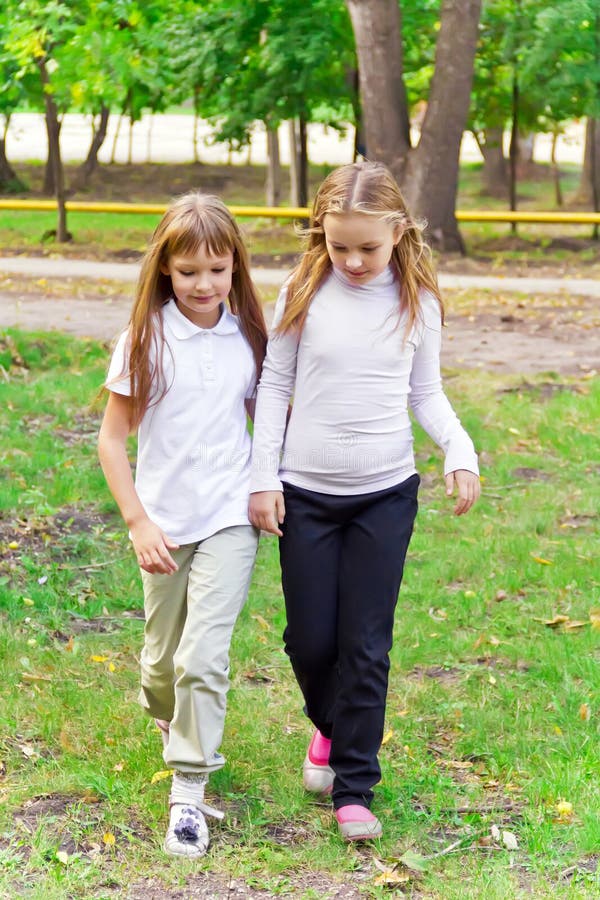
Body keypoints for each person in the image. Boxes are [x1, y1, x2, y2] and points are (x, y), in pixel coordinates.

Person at [249, 161, 480, 842]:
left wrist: (458, 449)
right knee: (311, 639)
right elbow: (273, 386)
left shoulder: (418, 300)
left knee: (366, 645)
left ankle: (355, 785)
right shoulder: (302, 290)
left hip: (385, 494)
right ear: (320, 233)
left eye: (367, 247)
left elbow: (425, 392)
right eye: (337, 244)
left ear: (398, 230)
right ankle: (330, 728)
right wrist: (264, 477)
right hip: (306, 495)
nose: (352, 260)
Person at [98, 192, 267, 858]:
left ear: (235, 268)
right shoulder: (146, 338)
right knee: (161, 668)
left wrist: (265, 486)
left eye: (217, 270)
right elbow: (112, 440)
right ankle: (171, 720)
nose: (204, 284)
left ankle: (188, 796)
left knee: (204, 657)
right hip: (164, 525)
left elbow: (267, 421)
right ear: (166, 268)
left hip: (229, 516)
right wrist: (138, 521)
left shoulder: (248, 337)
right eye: (189, 270)